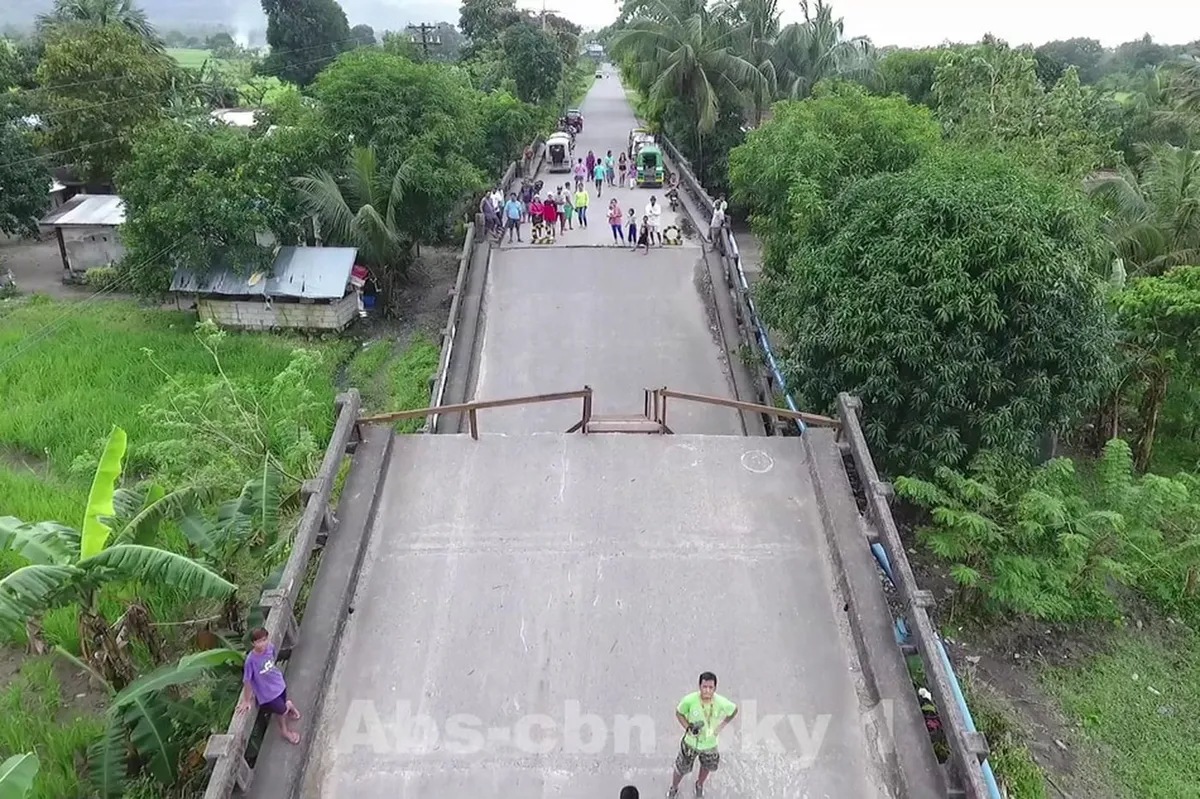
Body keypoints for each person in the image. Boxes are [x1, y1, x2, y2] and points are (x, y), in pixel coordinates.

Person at [667, 672, 738, 798]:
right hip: (690, 743)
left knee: (707, 767)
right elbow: (679, 713)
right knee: (681, 768)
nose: (707, 690)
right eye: (704, 687)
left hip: (710, 745)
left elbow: (734, 710)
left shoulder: (721, 702)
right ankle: (674, 787)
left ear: (715, 688)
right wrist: (688, 727)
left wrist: (721, 726)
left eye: (711, 688)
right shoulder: (689, 700)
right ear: (699, 686)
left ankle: (699, 785)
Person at [237, 627, 302, 744]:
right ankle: (284, 731)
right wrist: (246, 700)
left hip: (279, 684)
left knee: (281, 708)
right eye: (258, 641)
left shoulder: (270, 647)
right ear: (253, 643)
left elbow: (272, 660)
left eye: (264, 639)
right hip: (267, 694)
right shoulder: (250, 661)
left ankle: (288, 705)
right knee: (281, 710)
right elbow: (247, 681)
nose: (262, 644)